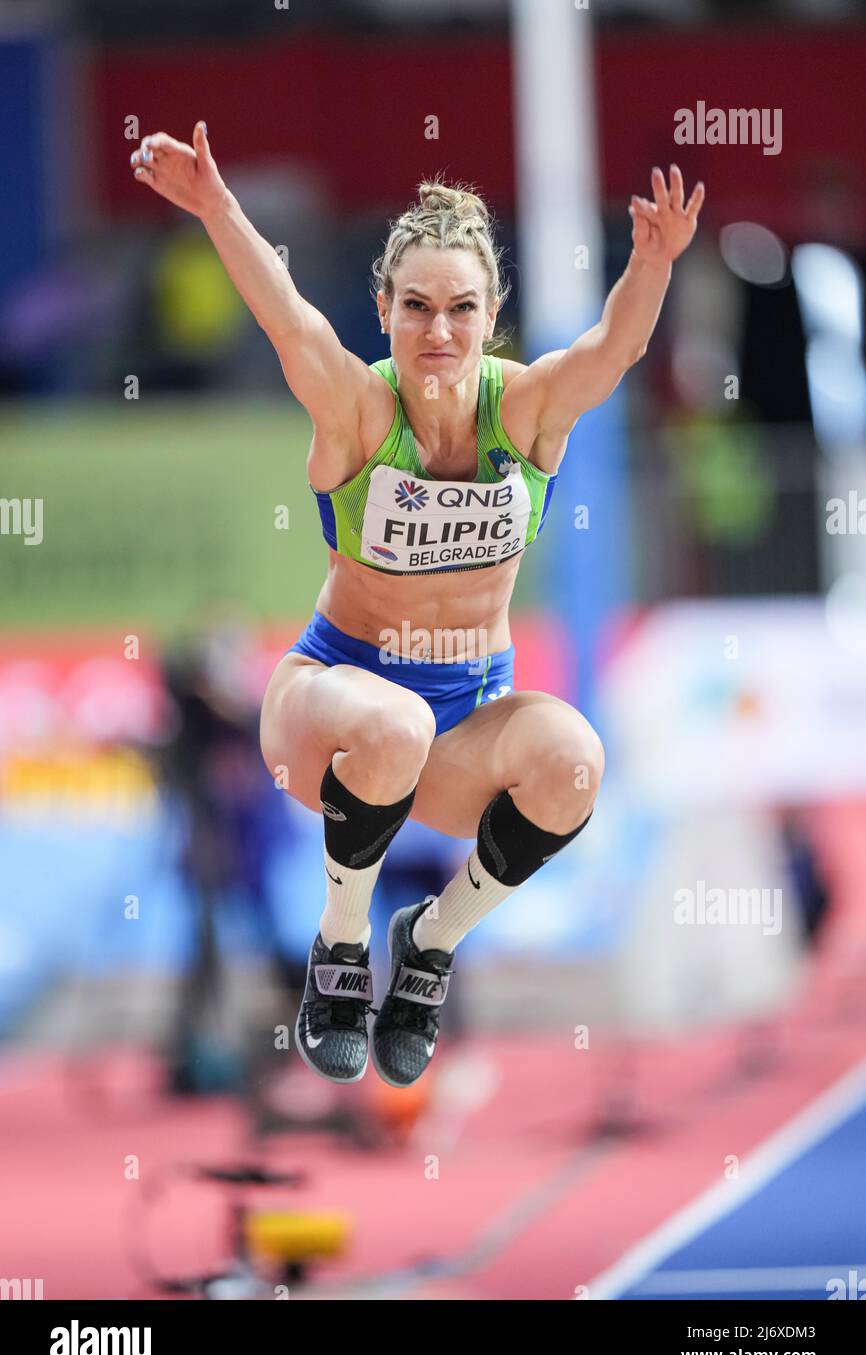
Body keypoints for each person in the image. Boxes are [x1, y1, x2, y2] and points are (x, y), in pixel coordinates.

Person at [131, 123, 704, 1087]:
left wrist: (651, 264)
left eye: (462, 309)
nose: (440, 331)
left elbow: (614, 349)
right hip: (332, 712)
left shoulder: (522, 412)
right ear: (386, 309)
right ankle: (342, 949)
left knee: (574, 761)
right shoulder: (358, 410)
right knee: (391, 722)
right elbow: (287, 320)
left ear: (493, 316)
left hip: (460, 733)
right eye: (418, 307)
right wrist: (216, 208)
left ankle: (429, 946)